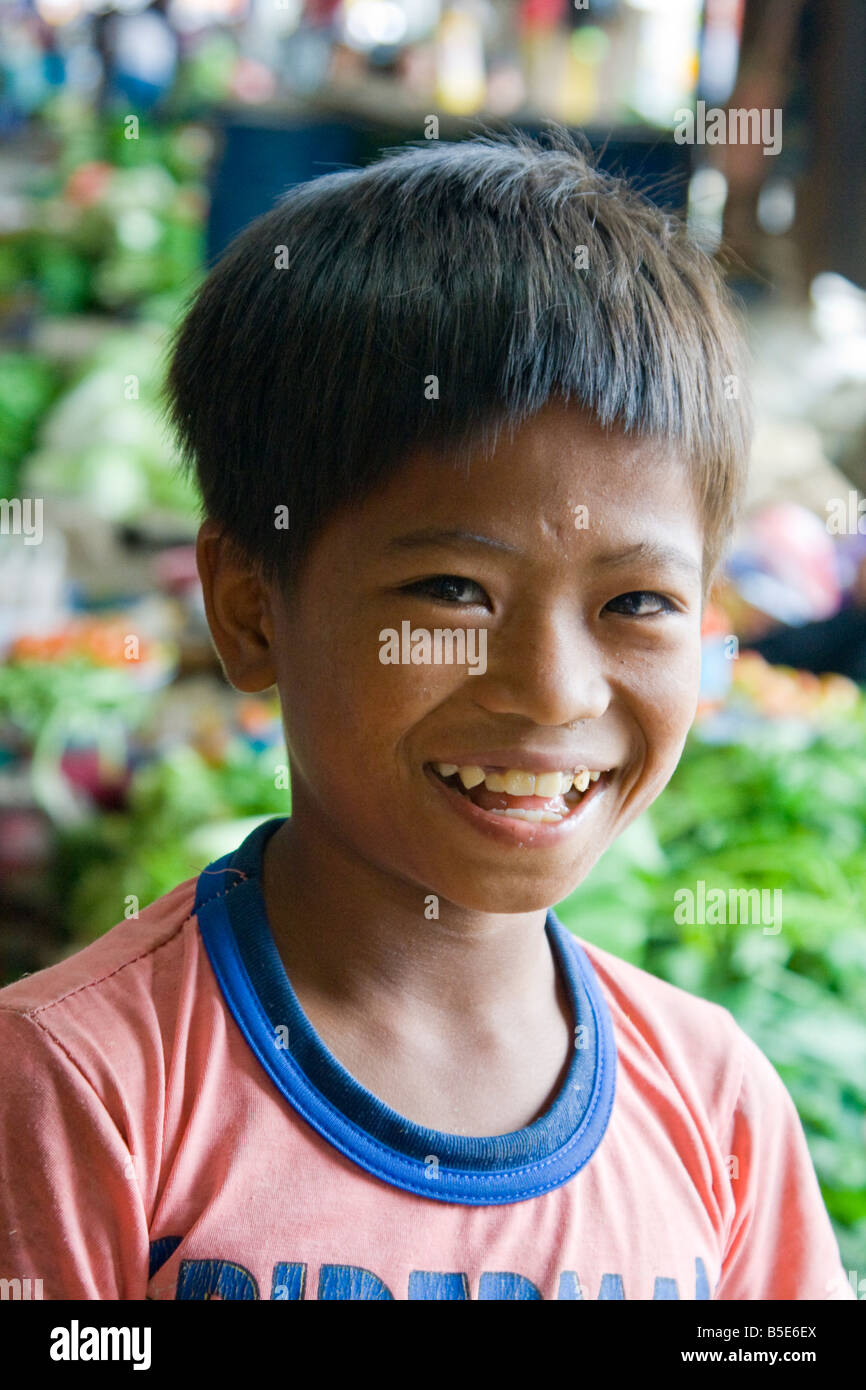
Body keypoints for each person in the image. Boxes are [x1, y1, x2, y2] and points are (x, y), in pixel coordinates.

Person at [0, 129, 853, 1301]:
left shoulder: (717, 1109)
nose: (553, 689)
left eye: (636, 602)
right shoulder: (81, 1084)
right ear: (250, 610)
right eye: (453, 590)